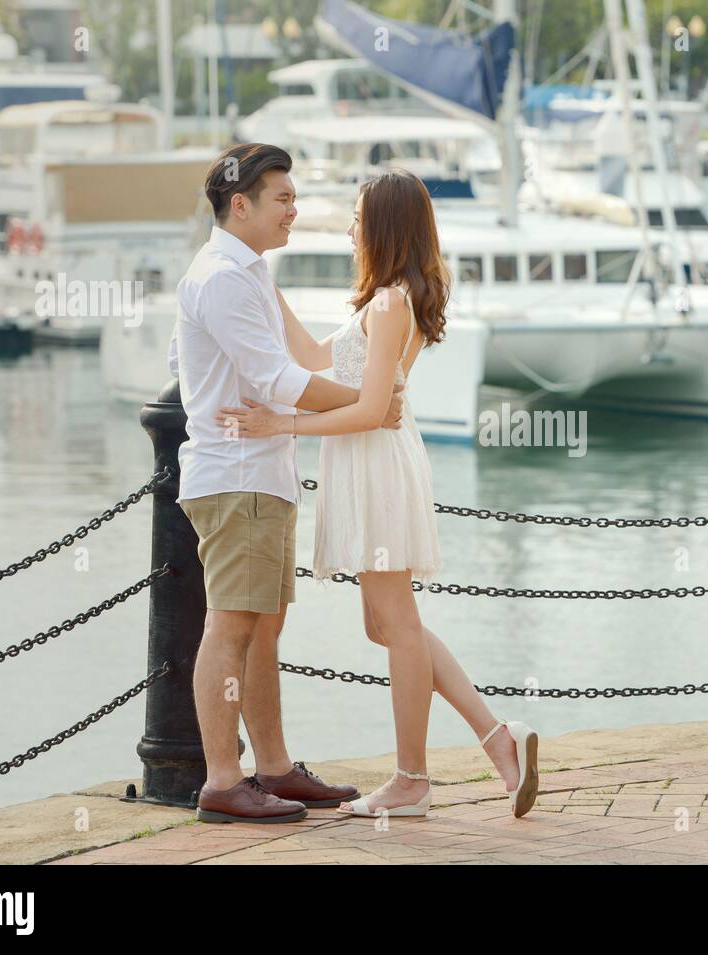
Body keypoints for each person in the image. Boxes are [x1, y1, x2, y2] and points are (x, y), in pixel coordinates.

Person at [217, 168, 539, 819]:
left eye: (359, 219)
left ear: (384, 228)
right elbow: (310, 357)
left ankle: (412, 778)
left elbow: (370, 410)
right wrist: (259, 279)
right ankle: (498, 739)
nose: (349, 229)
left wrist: (282, 422)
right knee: (388, 623)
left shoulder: (391, 305)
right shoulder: (381, 304)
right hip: (367, 466)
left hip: (379, 466)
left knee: (395, 624)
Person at [171, 142, 406, 824]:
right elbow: (280, 382)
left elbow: (277, 371)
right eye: (282, 199)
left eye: (294, 198)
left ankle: (271, 769)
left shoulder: (243, 275)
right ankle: (223, 779)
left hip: (261, 474)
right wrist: (371, 401)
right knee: (233, 626)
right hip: (236, 475)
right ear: (239, 205)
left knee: (264, 629)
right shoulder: (221, 277)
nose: (294, 211)